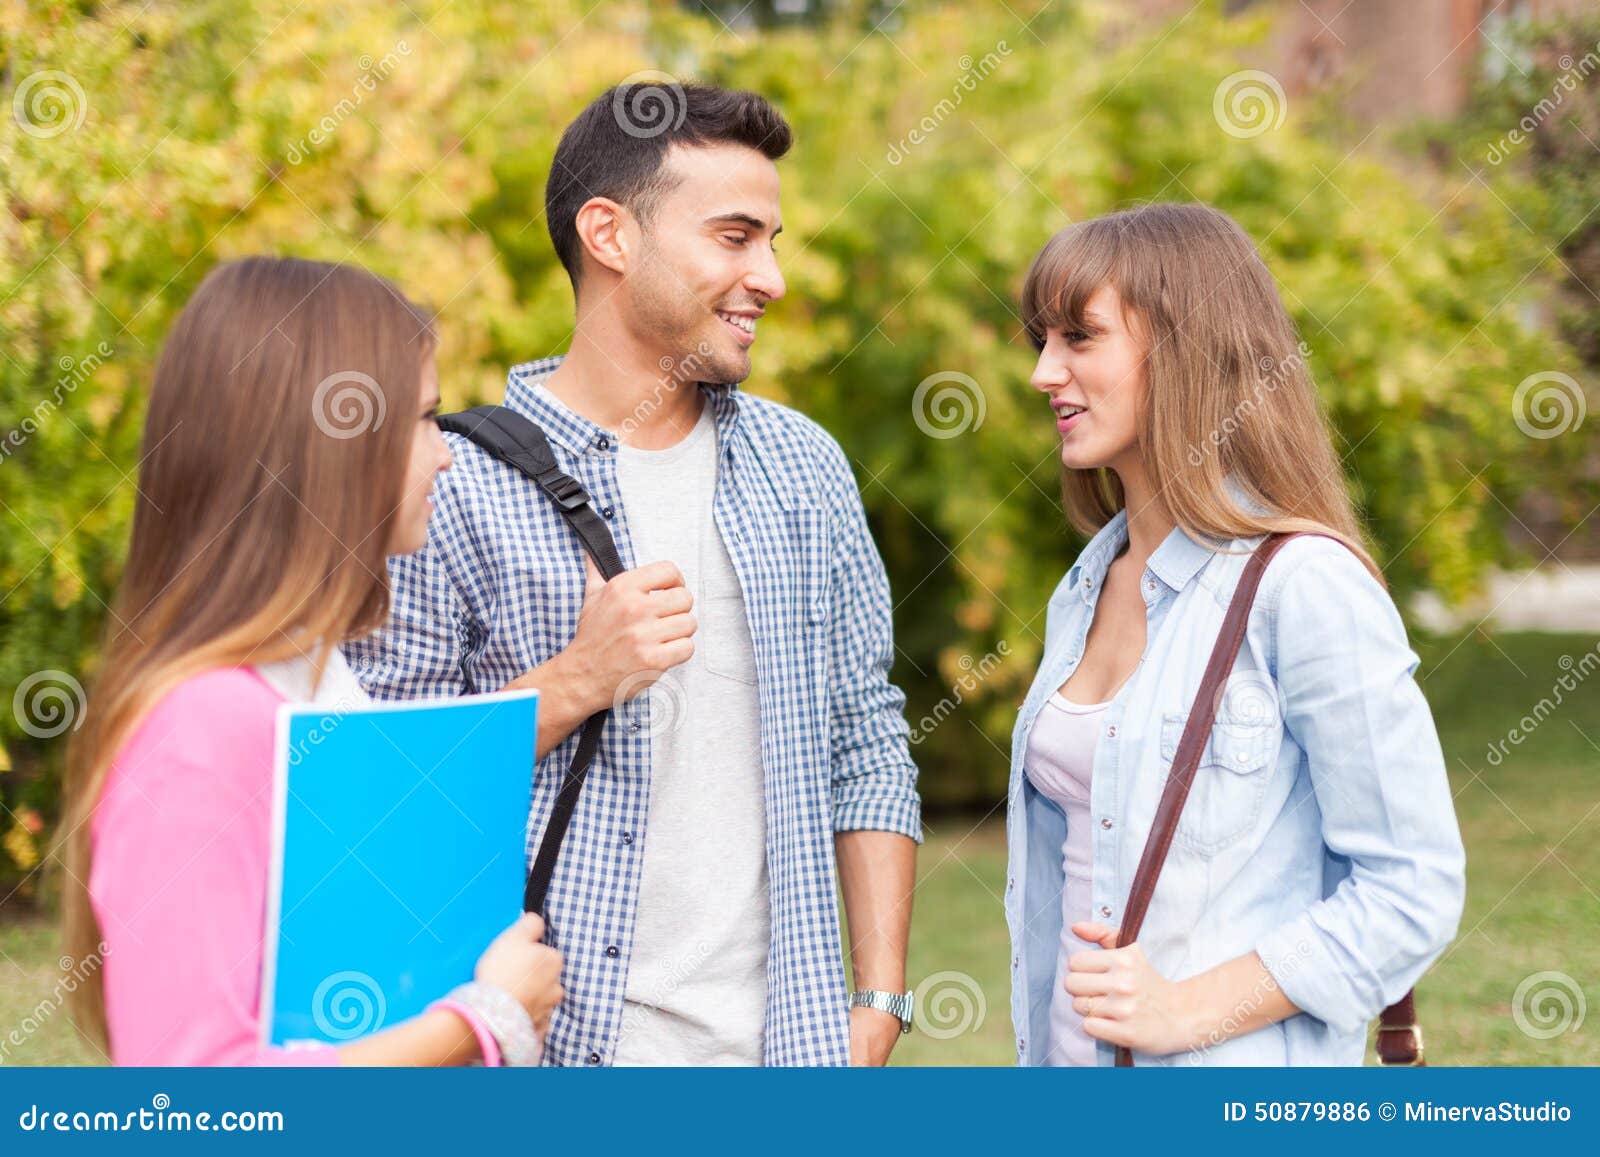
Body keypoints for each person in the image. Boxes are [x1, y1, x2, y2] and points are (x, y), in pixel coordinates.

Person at [346, 82, 922, 1067]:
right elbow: (373, 788)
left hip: (787, 1053)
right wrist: (576, 679)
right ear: (609, 234)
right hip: (553, 1051)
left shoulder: (804, 466)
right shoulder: (449, 483)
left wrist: (874, 1001)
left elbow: (864, 733)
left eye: (772, 240)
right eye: (735, 237)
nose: (771, 276)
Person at [61, 257, 564, 1066]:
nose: (447, 456)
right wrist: (482, 1020)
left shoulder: (317, 681)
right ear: (330, 444)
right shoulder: (204, 724)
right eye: (427, 419)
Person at [1005, 202, 1466, 1066]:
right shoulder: (1085, 586)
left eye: (1079, 337)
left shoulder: (1303, 586)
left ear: (1183, 350)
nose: (1043, 372)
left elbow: (1413, 889)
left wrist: (1187, 1010)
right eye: (1043, 339)